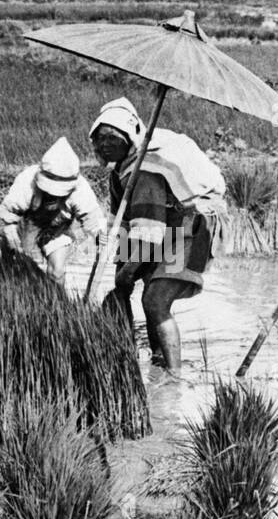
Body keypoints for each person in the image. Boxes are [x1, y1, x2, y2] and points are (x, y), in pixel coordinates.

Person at [89, 97, 222, 372]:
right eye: (100, 138)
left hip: (189, 230)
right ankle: (157, 363)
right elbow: (122, 226)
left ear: (129, 138)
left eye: (113, 138)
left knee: (155, 299)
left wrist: (129, 271)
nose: (105, 144)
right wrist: (119, 268)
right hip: (166, 230)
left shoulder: (146, 171)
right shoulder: (120, 173)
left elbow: (149, 233)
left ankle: (173, 378)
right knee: (138, 287)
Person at [0, 136, 105, 285]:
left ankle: (56, 302)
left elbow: (94, 219)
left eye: (58, 194)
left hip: (56, 229)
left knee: (57, 272)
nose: (52, 196)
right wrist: (12, 237)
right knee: (16, 272)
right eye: (49, 191)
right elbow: (7, 214)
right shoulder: (27, 181)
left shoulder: (80, 190)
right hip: (25, 225)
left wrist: (102, 236)